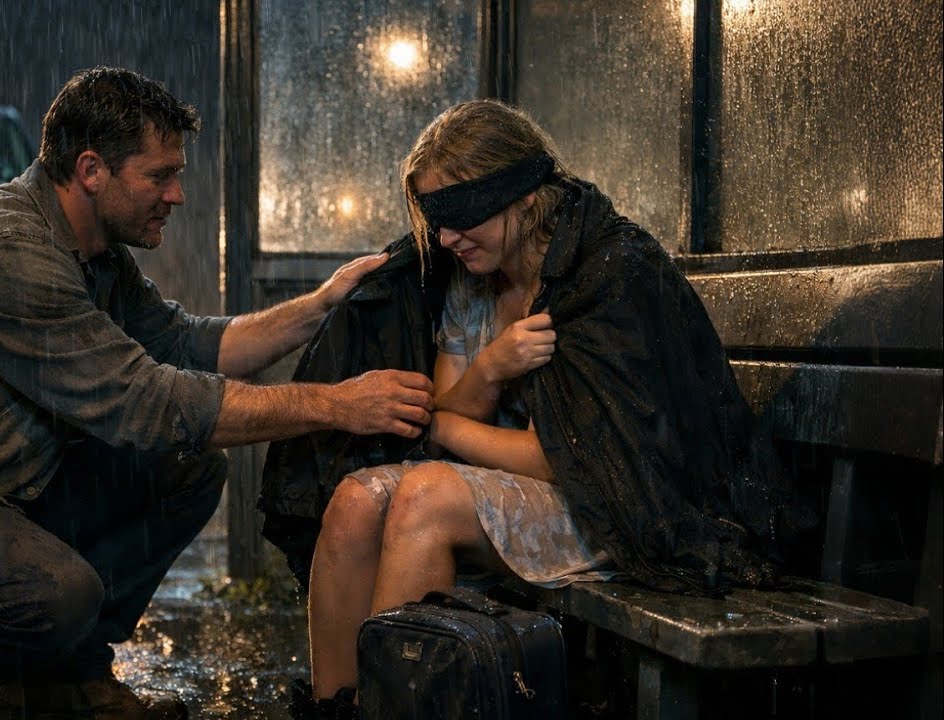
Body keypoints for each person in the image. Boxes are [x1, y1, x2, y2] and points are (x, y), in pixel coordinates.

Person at [0, 66, 434, 720]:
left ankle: (60, 682)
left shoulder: (94, 253)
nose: (176, 195)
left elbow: (187, 345)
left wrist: (319, 306)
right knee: (56, 594)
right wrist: (338, 403)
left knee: (189, 469)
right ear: (92, 170)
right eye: (160, 175)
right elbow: (148, 405)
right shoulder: (10, 252)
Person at [295, 99, 811, 718]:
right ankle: (334, 710)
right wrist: (490, 369)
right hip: (516, 481)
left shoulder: (602, 274)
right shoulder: (472, 278)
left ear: (523, 196)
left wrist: (448, 421)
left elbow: (559, 460)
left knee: (424, 499)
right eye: (436, 220)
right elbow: (448, 415)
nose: (446, 236)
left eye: (461, 214)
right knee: (355, 500)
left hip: (625, 506)